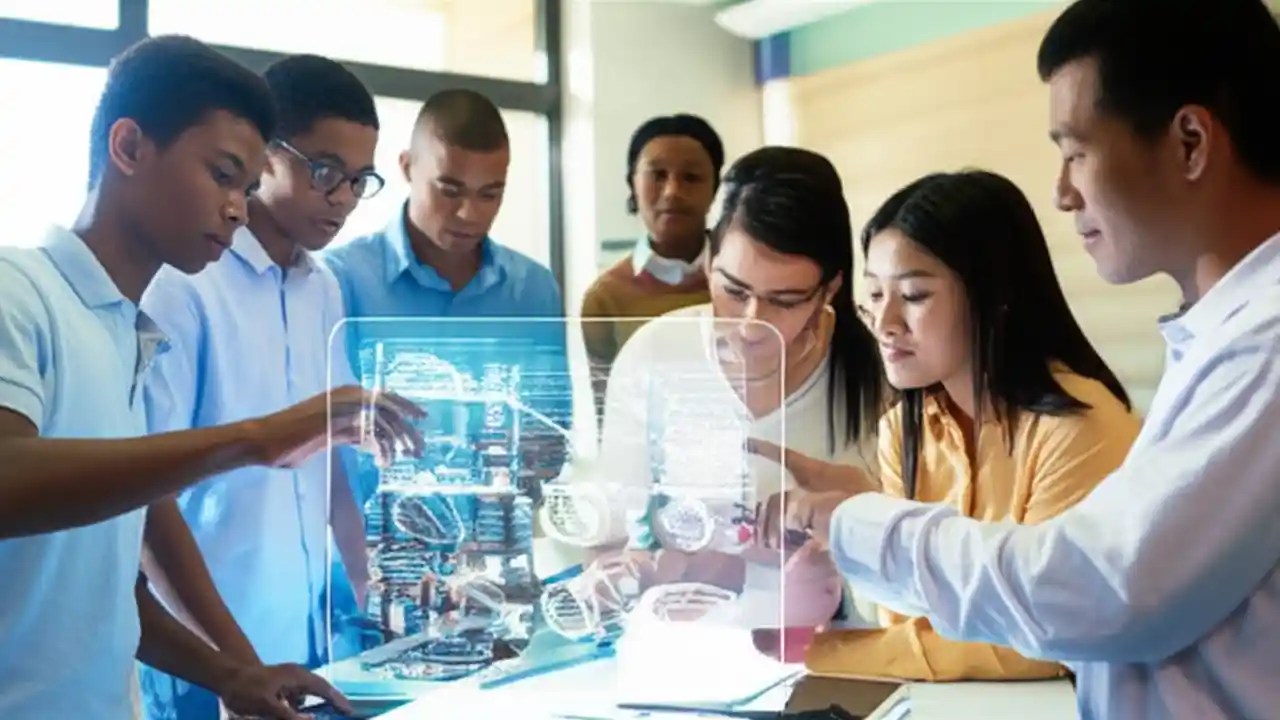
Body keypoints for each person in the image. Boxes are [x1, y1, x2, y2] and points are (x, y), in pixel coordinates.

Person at [766, 1, 1280, 717]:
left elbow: (1101, 594)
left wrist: (857, 522)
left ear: (1190, 142)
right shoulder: (1226, 333)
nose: (1063, 194)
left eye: (1075, 152)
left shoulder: (1265, 344)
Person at [0, 36, 424, 720]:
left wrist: (231, 673)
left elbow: (108, 584)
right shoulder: (17, 289)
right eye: (222, 175)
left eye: (247, 187)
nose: (236, 207)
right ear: (130, 147)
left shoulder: (125, 332)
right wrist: (258, 438)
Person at [755, 169, 1140, 681]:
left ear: (994, 295)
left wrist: (820, 654)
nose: (886, 322)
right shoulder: (904, 429)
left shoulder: (1078, 428)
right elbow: (912, 616)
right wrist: (854, 532)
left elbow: (1045, 640)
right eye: (874, 295)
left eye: (913, 295)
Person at [137, 54, 385, 719]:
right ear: (266, 154)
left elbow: (333, 456)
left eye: (361, 180)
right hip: (200, 654)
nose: (343, 198)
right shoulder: (184, 280)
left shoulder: (324, 286)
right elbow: (146, 497)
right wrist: (234, 666)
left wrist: (372, 594)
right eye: (325, 171)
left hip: (300, 639)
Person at [561, 147, 884, 638]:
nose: (753, 324)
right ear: (710, 257)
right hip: (690, 656)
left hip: (842, 660)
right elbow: (609, 534)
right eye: (734, 290)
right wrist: (621, 575)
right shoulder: (656, 354)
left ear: (830, 289)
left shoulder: (881, 381)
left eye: (785, 300)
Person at [323, 88, 569, 508]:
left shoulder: (534, 290)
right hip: (372, 553)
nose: (469, 213)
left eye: (489, 194)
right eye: (449, 190)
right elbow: (321, 439)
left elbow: (552, 437)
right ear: (407, 167)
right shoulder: (340, 279)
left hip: (495, 548)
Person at [580, 114, 724, 411]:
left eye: (691, 177)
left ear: (714, 190)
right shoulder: (604, 300)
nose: (672, 191)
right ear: (632, 184)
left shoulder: (747, 285)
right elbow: (608, 417)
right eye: (657, 175)